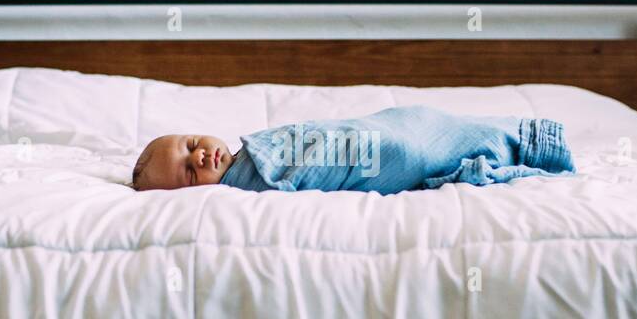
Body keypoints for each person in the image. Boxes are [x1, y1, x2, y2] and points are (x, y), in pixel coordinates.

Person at [131, 106, 575, 194]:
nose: (201, 157)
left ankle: (523, 138)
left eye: (192, 145)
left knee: (416, 124)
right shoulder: (247, 180)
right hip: (377, 154)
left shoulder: (251, 148)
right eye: (191, 172)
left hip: (374, 132)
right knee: (411, 150)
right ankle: (525, 146)